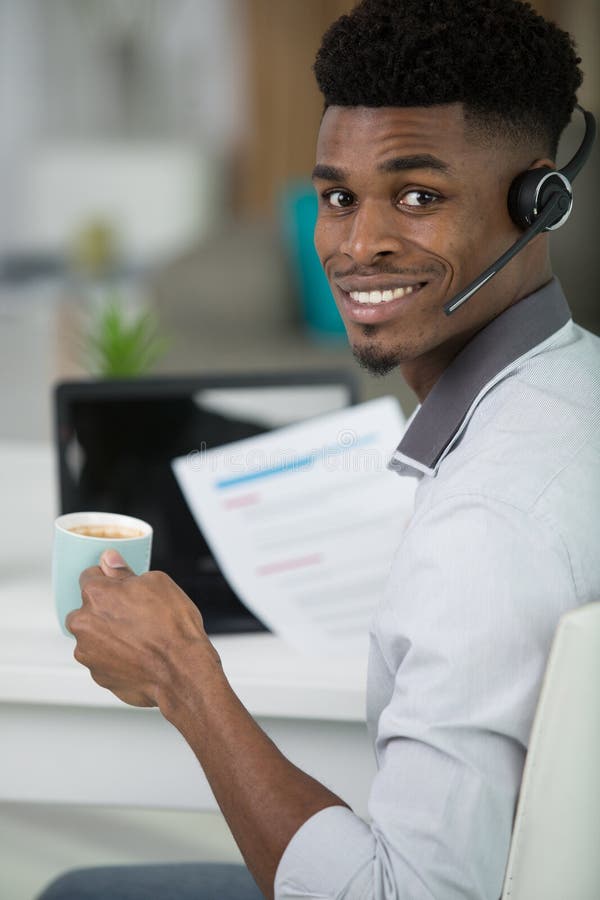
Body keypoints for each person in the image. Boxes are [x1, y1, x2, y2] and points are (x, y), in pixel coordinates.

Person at [39, 1, 600, 898]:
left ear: (541, 201)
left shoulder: (487, 529)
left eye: (419, 196)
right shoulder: (579, 391)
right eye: (338, 196)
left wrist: (187, 679)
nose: (359, 243)